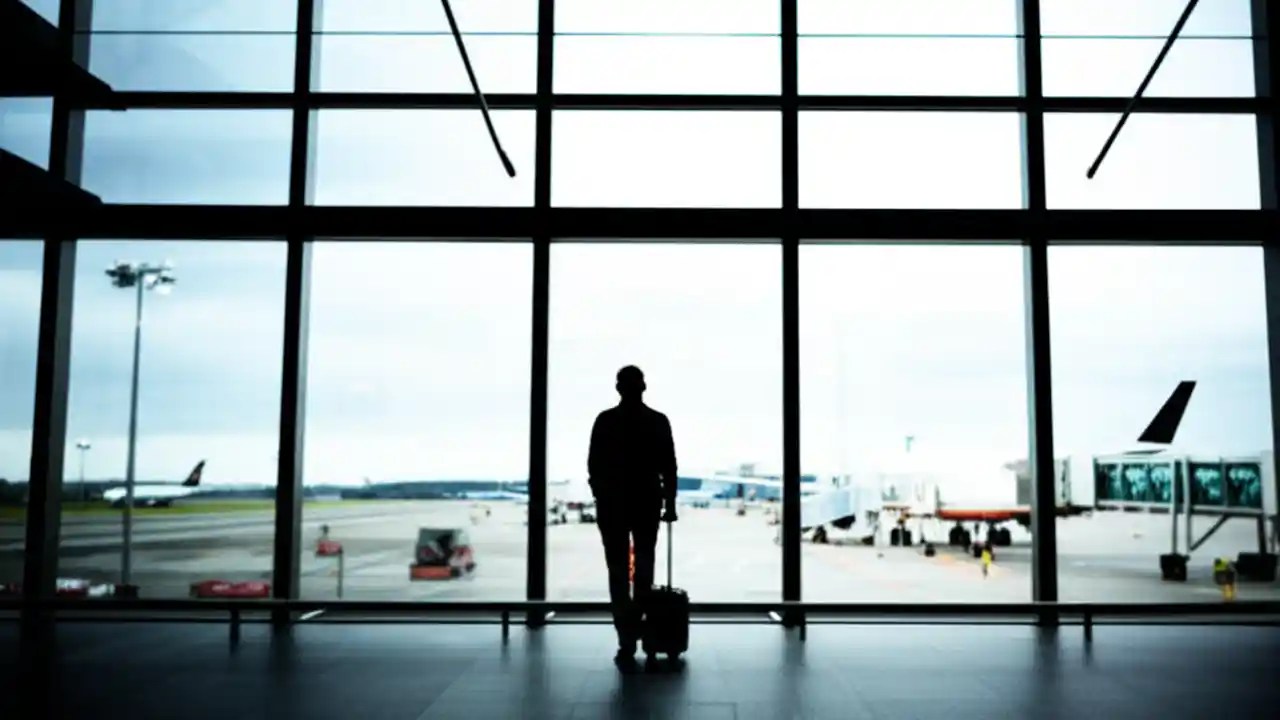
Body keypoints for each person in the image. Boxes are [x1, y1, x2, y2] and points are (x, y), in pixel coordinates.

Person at [588, 365, 678, 663]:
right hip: (646, 503)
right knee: (644, 569)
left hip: (613, 505)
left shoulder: (605, 421)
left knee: (617, 572)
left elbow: (594, 465)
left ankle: (625, 638)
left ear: (618, 388)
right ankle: (648, 635)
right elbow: (669, 466)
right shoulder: (657, 421)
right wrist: (671, 504)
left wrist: (602, 495)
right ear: (644, 387)